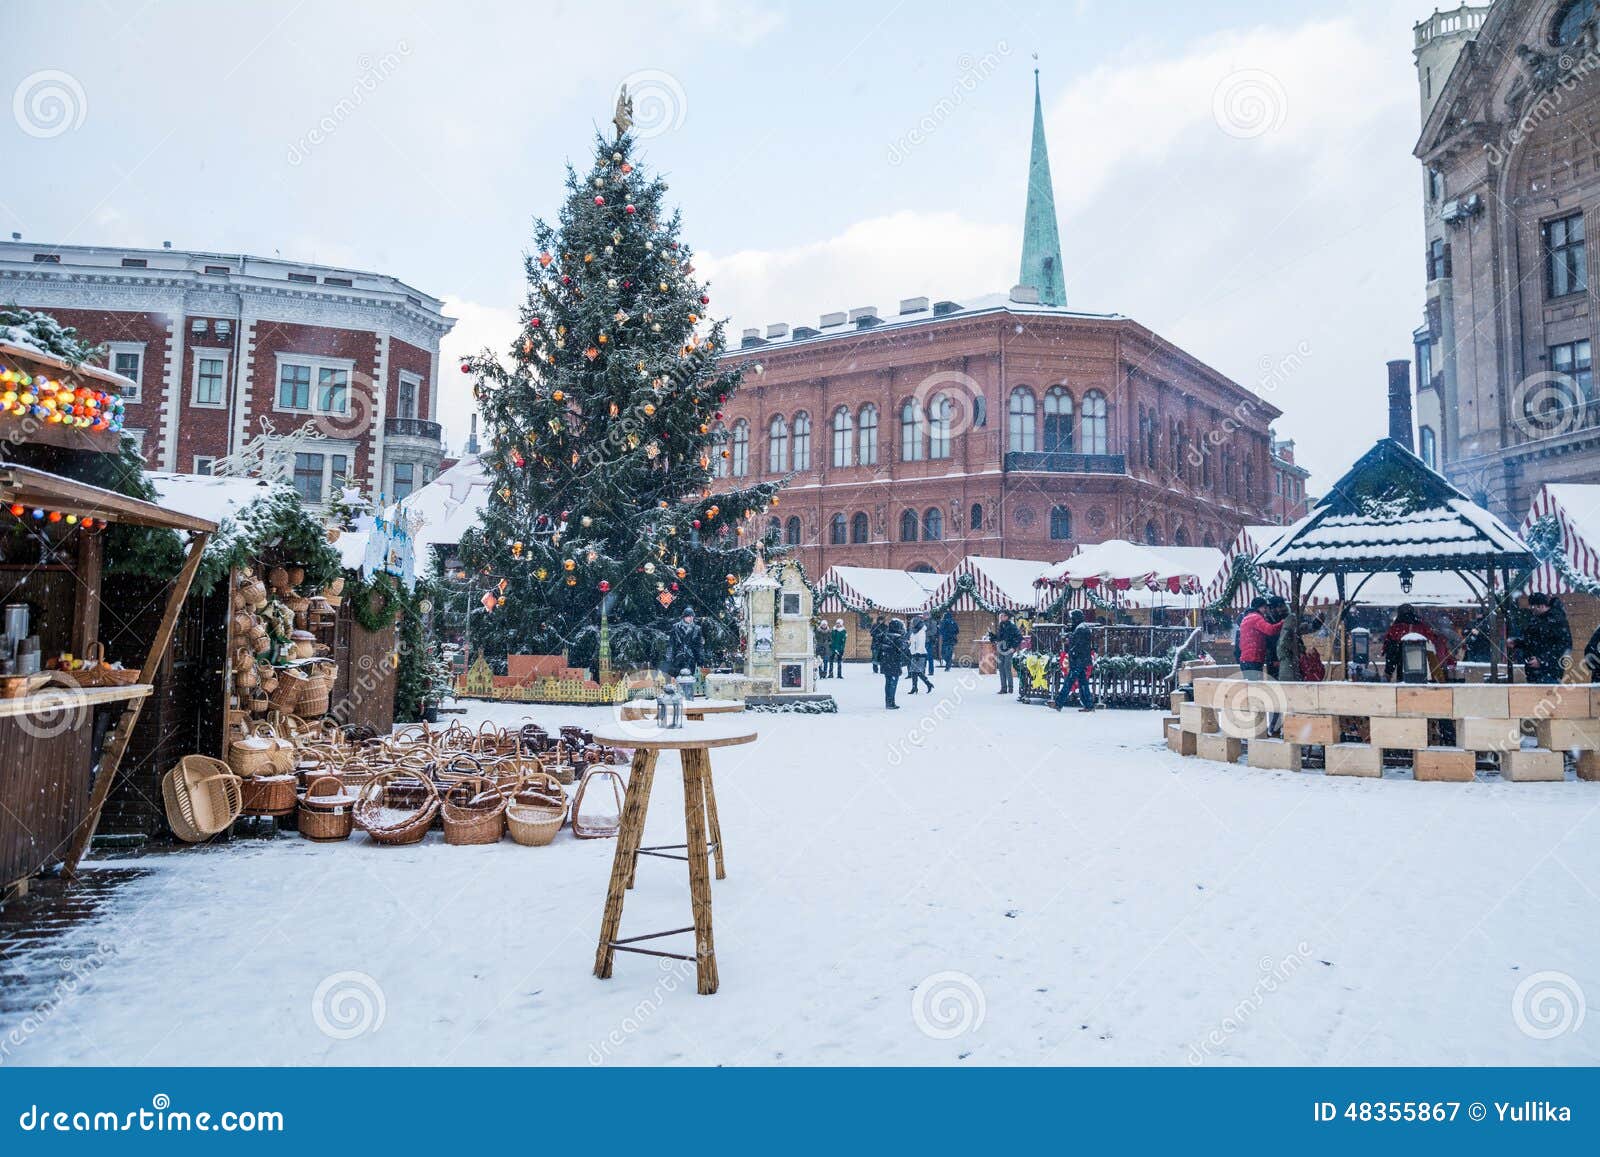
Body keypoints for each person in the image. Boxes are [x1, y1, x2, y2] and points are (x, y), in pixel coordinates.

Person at [1382, 604, 1453, 681]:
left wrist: (1388, 672)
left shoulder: (1396, 628)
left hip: (1403, 668)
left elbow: (1391, 653)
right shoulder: (1422, 627)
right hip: (1423, 670)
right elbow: (1434, 644)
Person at [1515, 592, 1572, 684]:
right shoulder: (1535, 619)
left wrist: (1542, 661)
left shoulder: (1557, 620)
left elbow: (1563, 647)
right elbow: (1530, 641)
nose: (1532, 610)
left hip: (1550, 672)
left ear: (1541, 606)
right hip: (1533, 672)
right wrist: (1517, 643)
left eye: (1533, 608)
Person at [1052, 609, 1097, 711]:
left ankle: (1058, 703)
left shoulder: (1081, 629)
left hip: (1078, 660)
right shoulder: (1083, 627)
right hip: (1082, 659)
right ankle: (1089, 705)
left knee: (1069, 682)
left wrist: (1069, 642)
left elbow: (1078, 644)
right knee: (1083, 683)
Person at [666, 607, 704, 677]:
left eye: (692, 616)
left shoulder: (697, 629)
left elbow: (699, 646)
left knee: (690, 679)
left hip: (691, 658)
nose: (691, 618)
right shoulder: (676, 627)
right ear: (684, 617)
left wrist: (700, 660)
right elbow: (671, 644)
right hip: (678, 658)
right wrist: (669, 658)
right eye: (689, 616)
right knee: (677, 680)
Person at [881, 618, 908, 709]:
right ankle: (891, 703)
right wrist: (907, 643)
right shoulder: (898, 638)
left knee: (888, 683)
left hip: (885, 662)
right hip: (894, 663)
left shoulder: (885, 636)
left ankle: (888, 702)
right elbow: (902, 649)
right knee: (893, 684)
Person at [994, 611, 1023, 695]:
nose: (1001, 617)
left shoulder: (1012, 626)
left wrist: (1013, 647)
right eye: (1001, 616)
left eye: (1003, 616)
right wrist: (993, 637)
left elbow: (1019, 637)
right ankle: (1003, 688)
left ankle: (1010, 688)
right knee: (1001, 668)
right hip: (1001, 649)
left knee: (1007, 667)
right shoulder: (1001, 626)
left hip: (1009, 649)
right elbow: (999, 637)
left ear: (1007, 617)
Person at [906, 615, 934, 694]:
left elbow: (921, 643)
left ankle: (928, 684)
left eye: (912, 623)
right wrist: (908, 644)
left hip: (920, 654)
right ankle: (915, 688)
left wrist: (918, 652)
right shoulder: (914, 631)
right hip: (914, 653)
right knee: (914, 672)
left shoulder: (921, 631)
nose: (911, 624)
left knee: (917, 672)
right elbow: (912, 641)